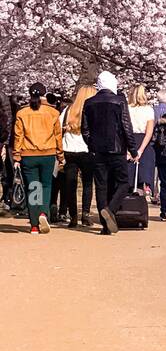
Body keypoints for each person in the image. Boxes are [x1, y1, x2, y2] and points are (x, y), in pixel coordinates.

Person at [82, 71, 141, 234]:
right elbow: (126, 127)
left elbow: (84, 130)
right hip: (117, 149)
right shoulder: (119, 101)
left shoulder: (88, 103)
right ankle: (111, 210)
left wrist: (92, 144)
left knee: (101, 186)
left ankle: (105, 225)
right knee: (123, 183)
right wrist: (133, 149)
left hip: (97, 151)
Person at [13, 82, 64, 234]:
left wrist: (16, 156)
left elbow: (18, 136)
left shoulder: (22, 113)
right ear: (44, 94)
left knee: (33, 187)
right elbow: (58, 136)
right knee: (46, 185)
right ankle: (43, 213)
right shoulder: (53, 113)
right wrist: (60, 155)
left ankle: (34, 224)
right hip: (48, 153)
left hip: (28, 155)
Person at [60, 81, 97, 228]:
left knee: (70, 183)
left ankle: (73, 215)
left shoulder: (68, 110)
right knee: (88, 183)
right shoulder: (93, 110)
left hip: (69, 149)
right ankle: (86, 214)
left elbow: (58, 126)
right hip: (87, 150)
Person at [126, 85, 157, 200]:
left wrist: (128, 150)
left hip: (129, 141)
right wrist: (140, 150)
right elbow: (149, 132)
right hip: (143, 142)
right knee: (142, 176)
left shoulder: (127, 109)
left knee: (128, 176)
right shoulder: (148, 110)